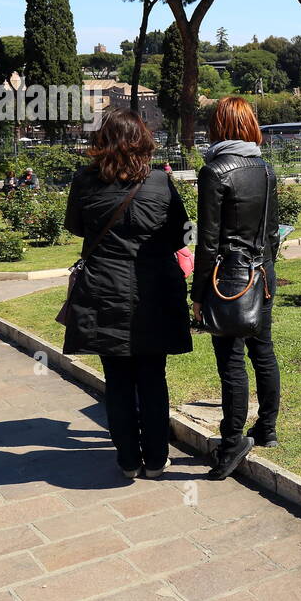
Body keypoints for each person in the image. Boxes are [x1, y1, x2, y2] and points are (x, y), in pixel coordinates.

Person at [63, 109, 191, 480]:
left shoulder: (86, 181)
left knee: (117, 380)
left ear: (103, 142)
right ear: (143, 141)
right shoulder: (159, 183)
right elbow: (181, 233)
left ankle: (128, 460)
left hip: (104, 290)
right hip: (152, 290)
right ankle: (155, 459)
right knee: (153, 376)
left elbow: (75, 227)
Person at [192, 96, 280, 481]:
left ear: (219, 126)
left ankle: (231, 443)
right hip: (262, 271)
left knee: (230, 359)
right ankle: (267, 429)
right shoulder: (265, 169)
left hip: (228, 276)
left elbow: (207, 241)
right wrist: (265, 268)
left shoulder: (215, 171)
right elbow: (273, 231)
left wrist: (197, 293)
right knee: (262, 350)